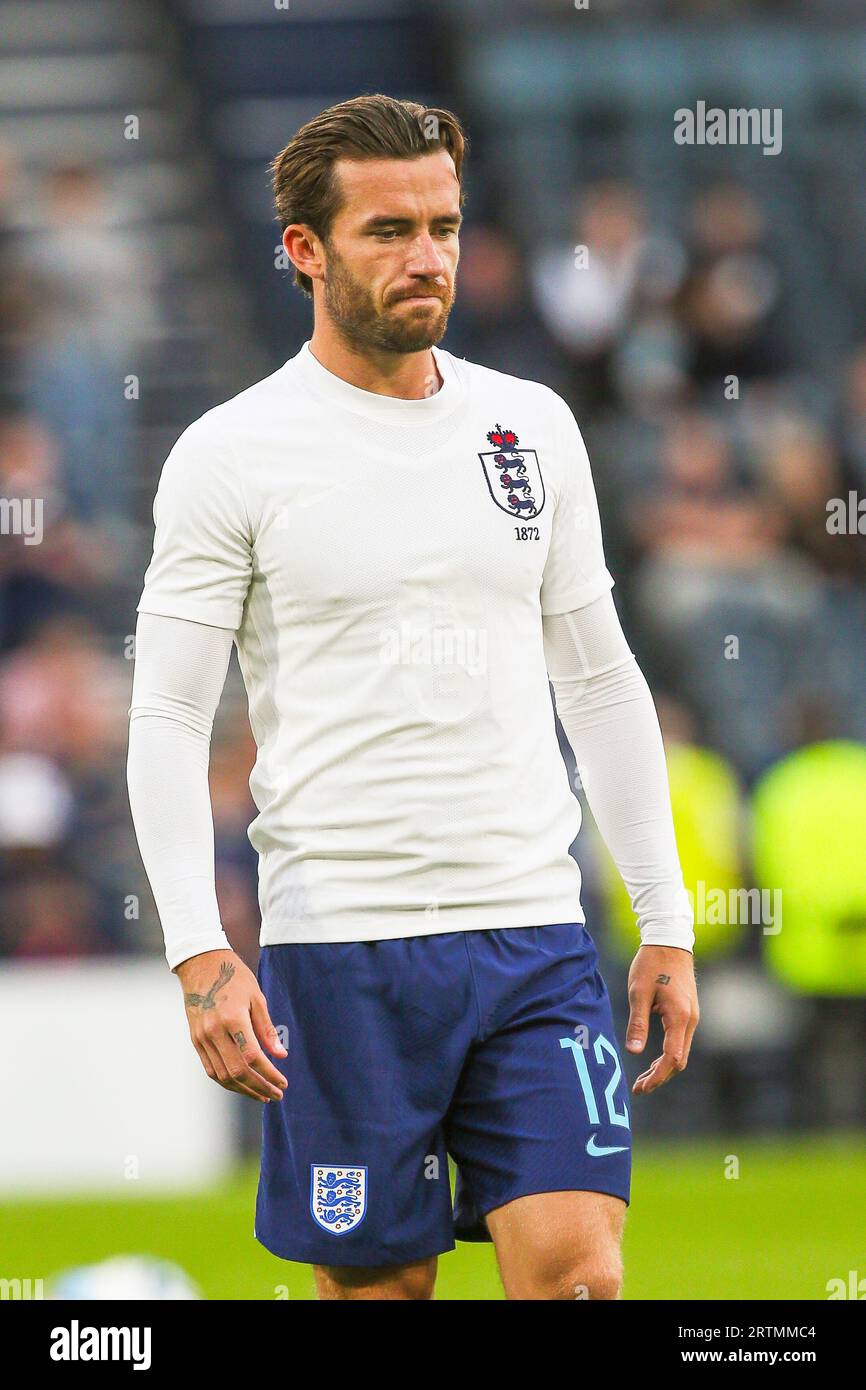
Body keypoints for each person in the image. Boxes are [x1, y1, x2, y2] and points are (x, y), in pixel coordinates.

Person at [127, 94, 698, 1301]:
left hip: (532, 931)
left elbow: (596, 677)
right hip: (341, 949)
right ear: (304, 250)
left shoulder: (528, 424)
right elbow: (170, 717)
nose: (425, 255)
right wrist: (197, 950)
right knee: (381, 1291)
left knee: (580, 1276)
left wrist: (664, 917)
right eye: (386, 230)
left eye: (441, 224)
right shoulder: (234, 453)